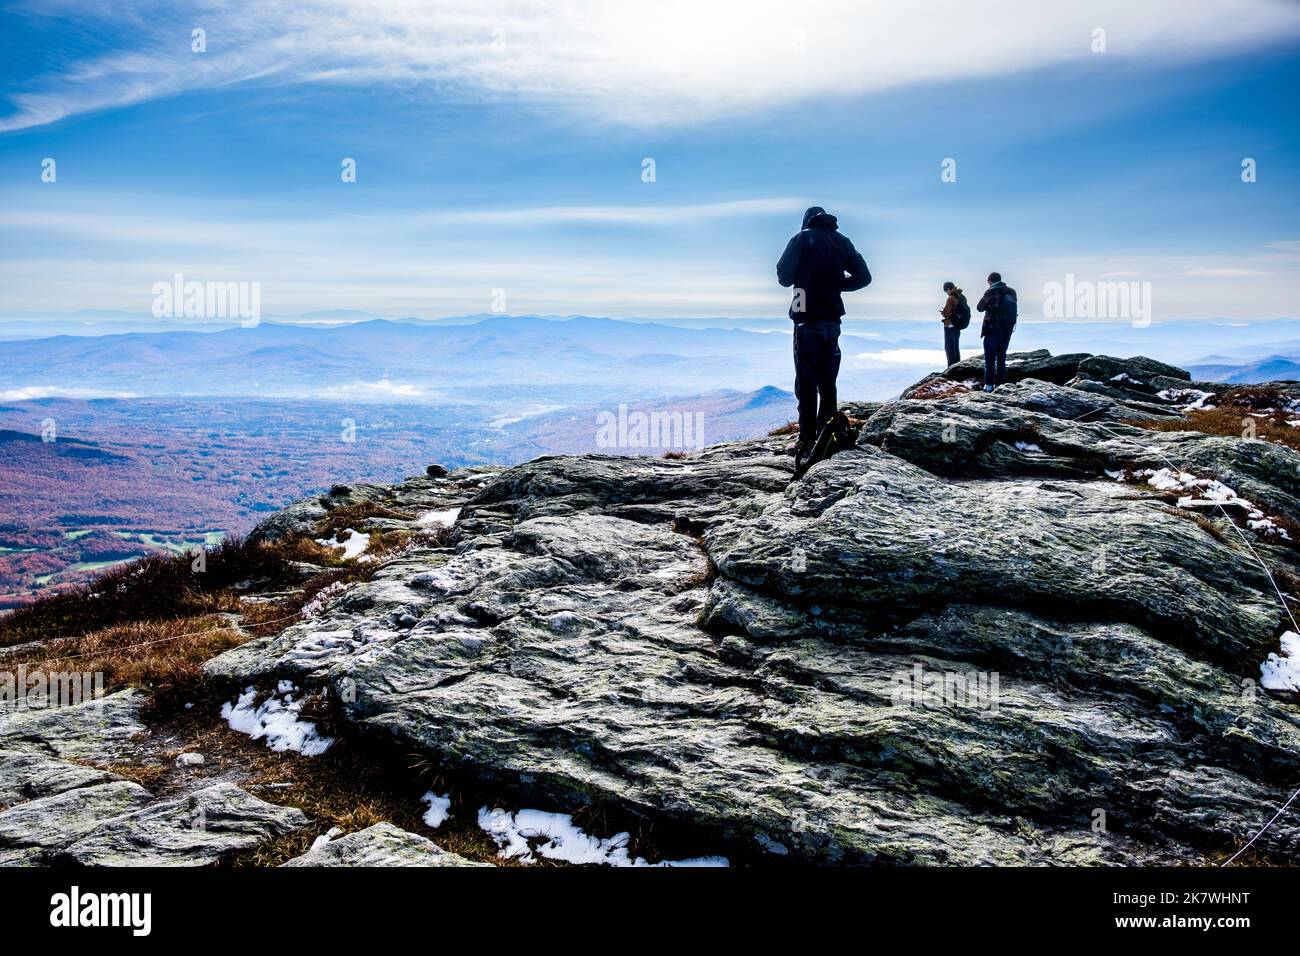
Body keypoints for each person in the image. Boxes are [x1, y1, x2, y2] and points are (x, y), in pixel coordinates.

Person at [776, 206, 871, 466]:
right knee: (828, 382)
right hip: (832, 320)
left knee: (806, 383)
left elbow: (784, 277)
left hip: (806, 318)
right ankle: (827, 439)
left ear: (807, 221)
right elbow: (864, 277)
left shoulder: (802, 238)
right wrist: (835, 285)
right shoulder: (842, 241)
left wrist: (808, 278)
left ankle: (806, 441)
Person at [976, 271, 1017, 392]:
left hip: (992, 328)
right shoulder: (1011, 291)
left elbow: (979, 307)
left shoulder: (991, 291)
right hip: (1007, 329)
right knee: (1001, 357)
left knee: (989, 358)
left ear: (990, 281)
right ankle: (1000, 384)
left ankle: (988, 385)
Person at [940, 281, 966, 368]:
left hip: (950, 325)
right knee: (956, 347)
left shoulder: (950, 298)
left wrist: (943, 312)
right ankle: (957, 366)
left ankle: (951, 368)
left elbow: (947, 314)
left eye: (945, 291)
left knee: (950, 348)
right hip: (958, 325)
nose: (946, 293)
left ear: (948, 289)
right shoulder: (962, 297)